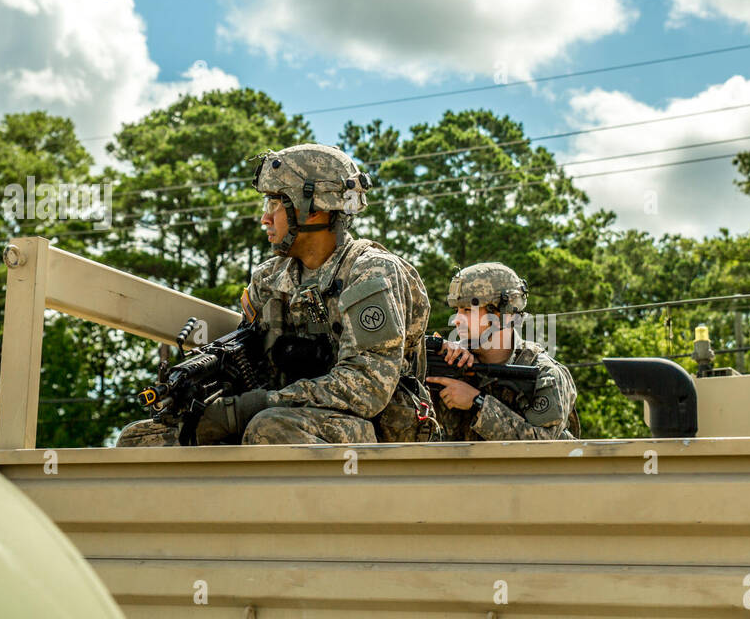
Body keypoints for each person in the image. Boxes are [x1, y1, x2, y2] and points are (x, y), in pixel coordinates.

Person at [117, 143, 434, 447]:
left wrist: (251, 407)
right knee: (142, 439)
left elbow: (368, 388)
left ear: (311, 209)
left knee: (269, 427)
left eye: (274, 204)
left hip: (376, 433)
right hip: (286, 416)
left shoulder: (370, 273)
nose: (264, 218)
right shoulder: (269, 279)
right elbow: (252, 361)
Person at [428, 262, 579, 440]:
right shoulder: (450, 362)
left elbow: (545, 446)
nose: (456, 321)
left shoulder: (544, 374)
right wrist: (430, 352)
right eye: (457, 310)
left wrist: (478, 403)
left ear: (501, 316)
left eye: (468, 310)